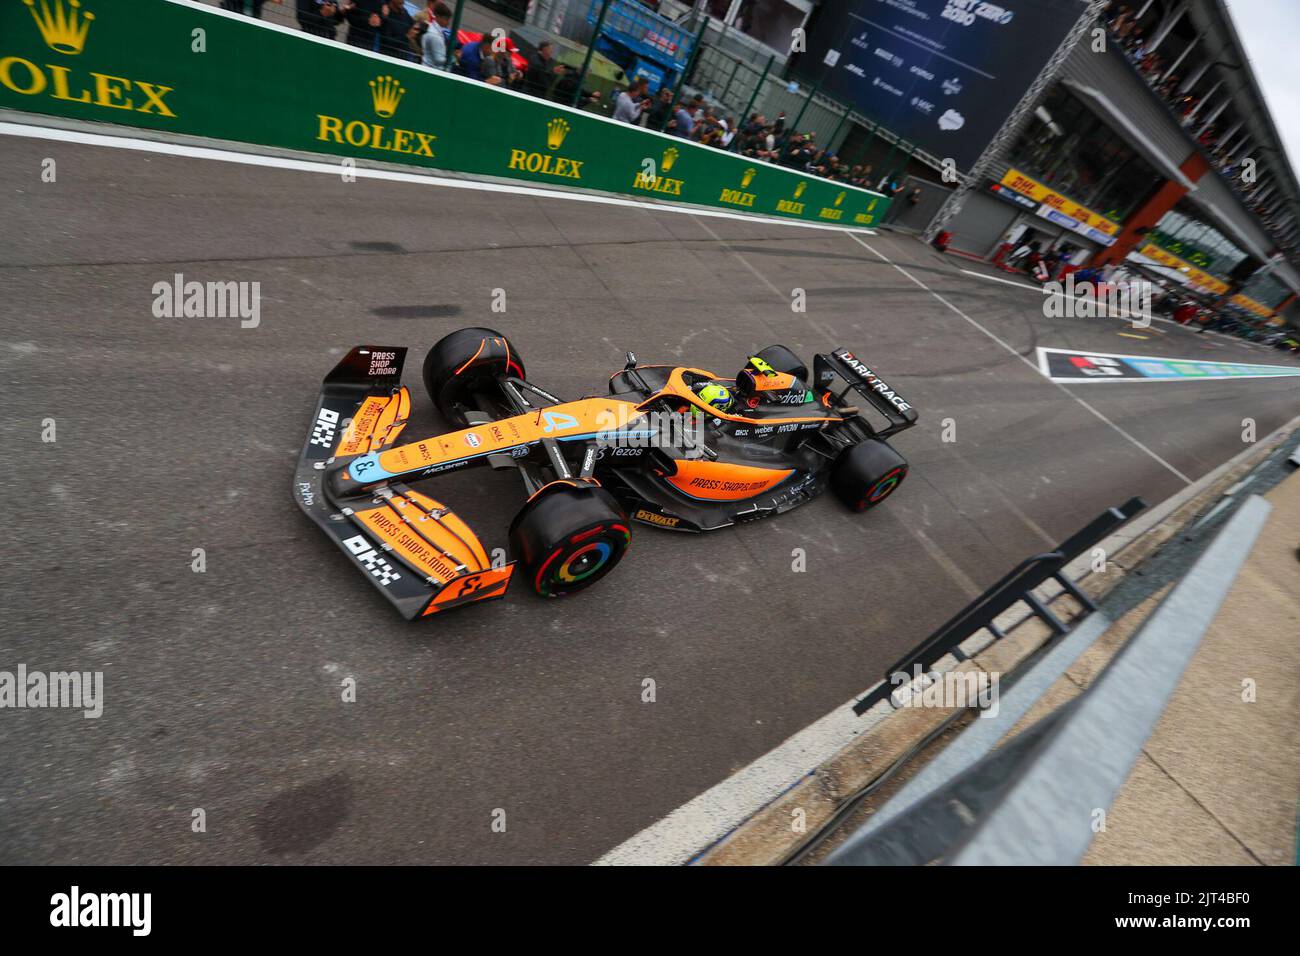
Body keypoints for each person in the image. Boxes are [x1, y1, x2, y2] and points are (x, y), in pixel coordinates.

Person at [419, 2, 452, 70]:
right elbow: (438, 60)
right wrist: (452, 59)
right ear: (438, 17)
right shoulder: (435, 35)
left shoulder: (433, 29)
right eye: (446, 19)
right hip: (432, 70)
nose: (448, 22)